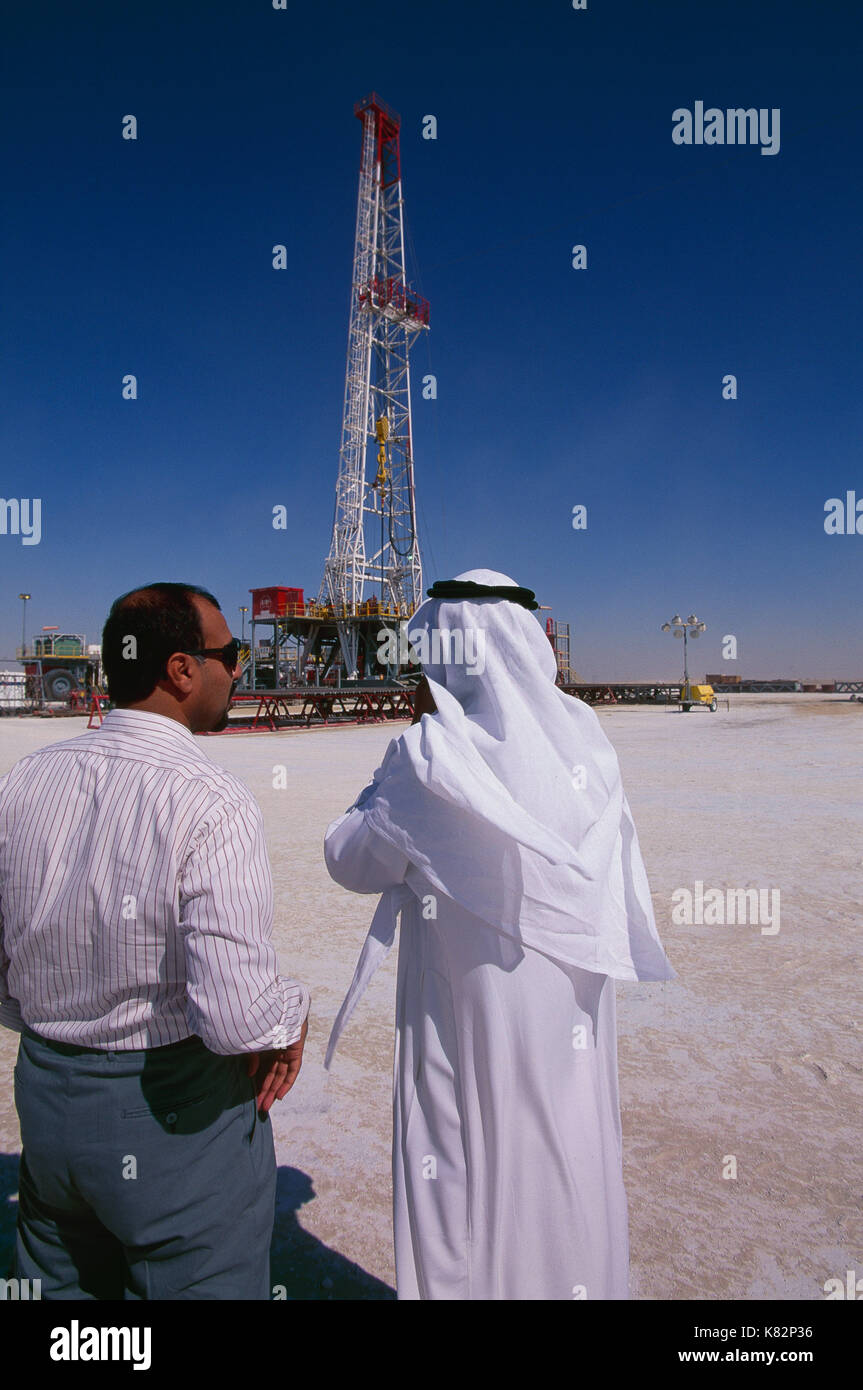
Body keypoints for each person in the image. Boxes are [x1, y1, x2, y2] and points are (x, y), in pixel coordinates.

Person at [323, 568, 674, 1300]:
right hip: (569, 1019)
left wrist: (385, 775)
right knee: (566, 1157)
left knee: (463, 1169)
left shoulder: (430, 760)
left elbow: (350, 856)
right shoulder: (587, 748)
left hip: (464, 1018)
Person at [0, 582, 309, 1300]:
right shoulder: (209, 799)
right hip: (174, 1117)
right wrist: (288, 1015)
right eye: (228, 655)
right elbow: (236, 1020)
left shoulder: (24, 782)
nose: (238, 669)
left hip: (47, 1102)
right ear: (180, 670)